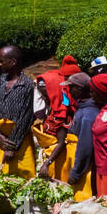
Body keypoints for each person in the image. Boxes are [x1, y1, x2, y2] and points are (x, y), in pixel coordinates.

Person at [37, 71, 92, 199]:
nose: (42, 95)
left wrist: (47, 163)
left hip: (63, 159)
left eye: (44, 91)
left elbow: (61, 142)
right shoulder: (54, 108)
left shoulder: (62, 111)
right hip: (58, 158)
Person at [0, 44, 39, 178]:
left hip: (20, 142)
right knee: (3, 179)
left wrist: (12, 145)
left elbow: (26, 117)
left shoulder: (26, 85)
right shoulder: (1, 81)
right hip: (3, 140)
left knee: (23, 181)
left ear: (12, 62)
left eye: (1, 61)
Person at [69, 73, 107, 199]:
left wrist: (76, 172)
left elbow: (85, 146)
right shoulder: (83, 108)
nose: (68, 90)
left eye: (70, 87)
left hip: (86, 167)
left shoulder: (89, 114)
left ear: (79, 89)